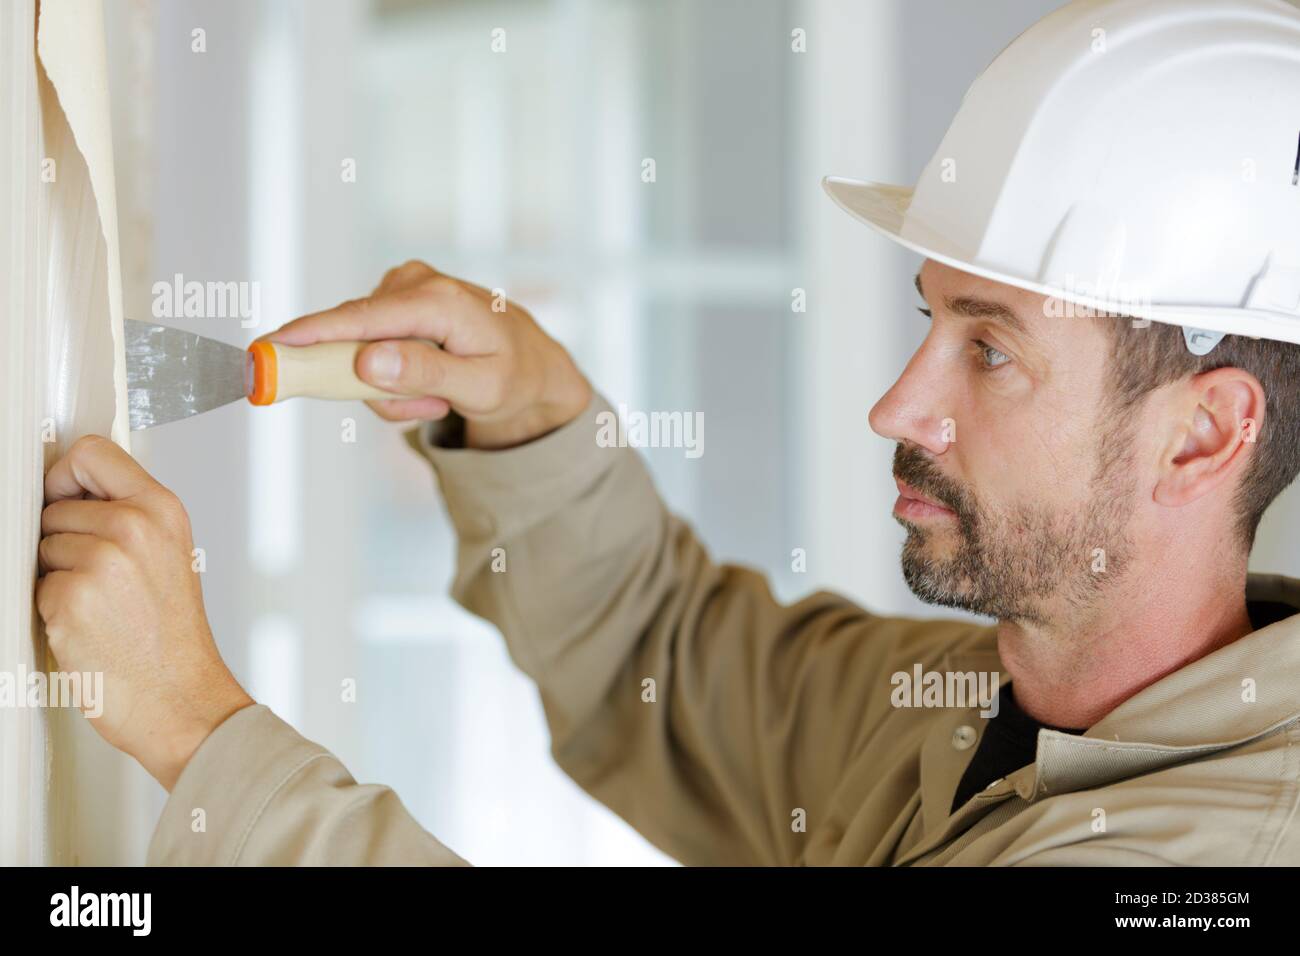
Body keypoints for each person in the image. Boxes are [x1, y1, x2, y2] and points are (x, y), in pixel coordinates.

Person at [36, 0, 1300, 865]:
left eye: (990, 348)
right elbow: (669, 659)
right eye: (931, 323)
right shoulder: (983, 709)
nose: (896, 407)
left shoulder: (1194, 866)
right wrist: (533, 420)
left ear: (1200, 434)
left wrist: (196, 727)